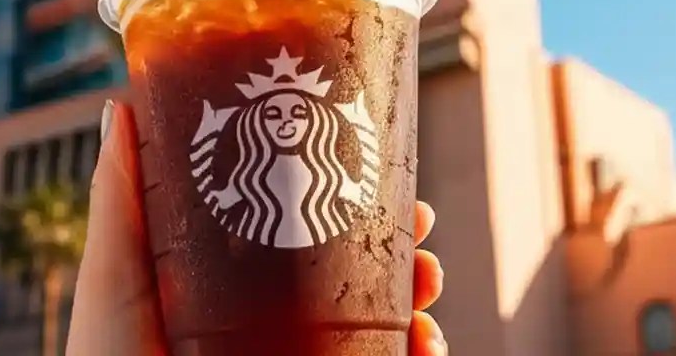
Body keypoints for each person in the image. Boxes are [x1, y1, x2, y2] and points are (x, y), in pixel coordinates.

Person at [67, 101, 449, 356]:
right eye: (272, 116)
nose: (286, 123)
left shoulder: (333, 184)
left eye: (299, 112)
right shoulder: (239, 190)